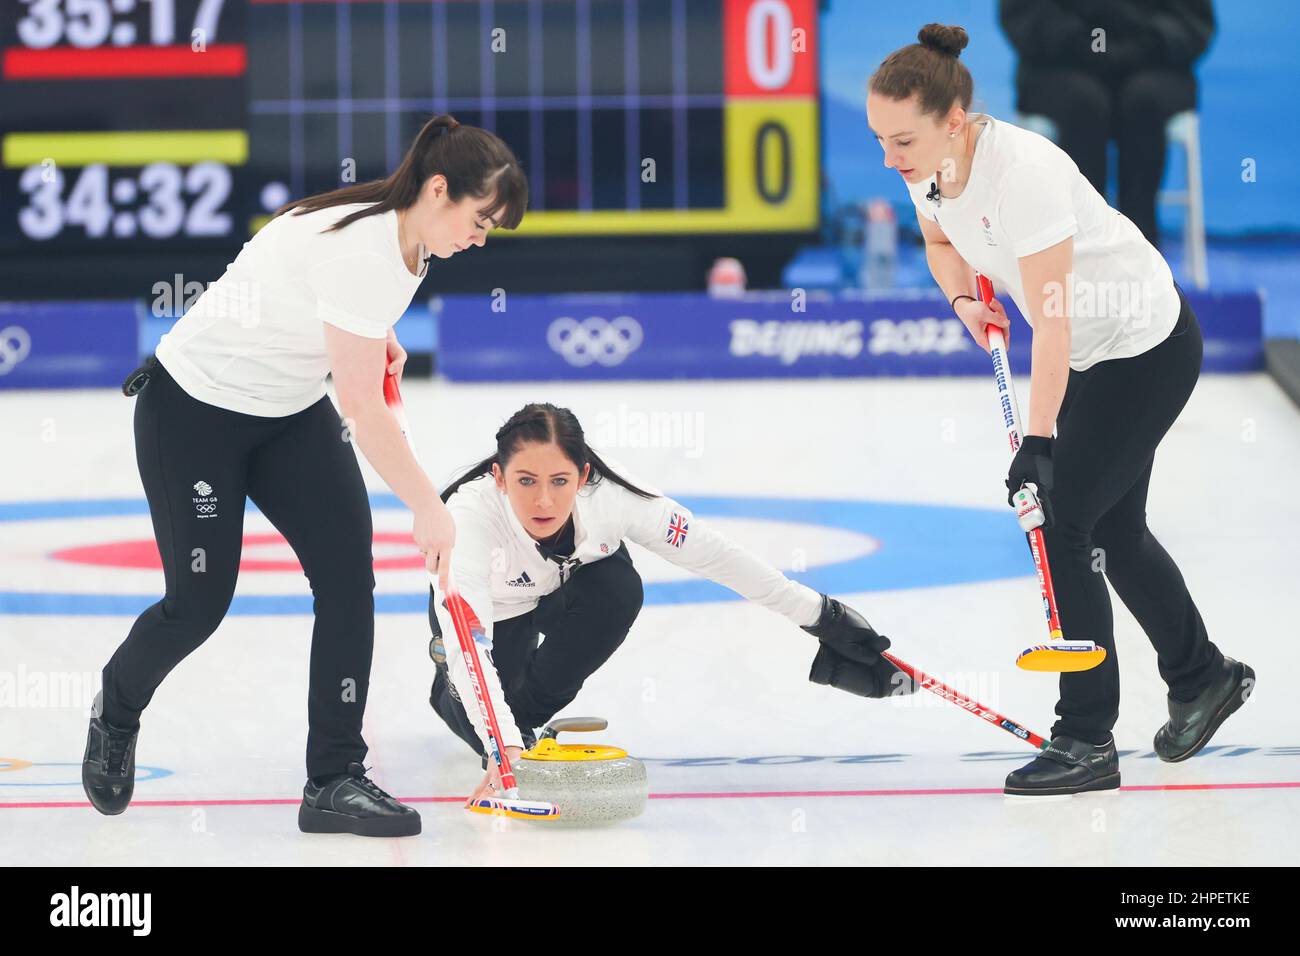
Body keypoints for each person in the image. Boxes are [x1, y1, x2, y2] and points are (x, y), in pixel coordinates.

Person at [82, 114, 527, 836]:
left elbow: (304, 290)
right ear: (438, 189)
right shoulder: (364, 248)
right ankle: (117, 706)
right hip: (194, 415)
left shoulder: (403, 235)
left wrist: (373, 331)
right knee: (198, 603)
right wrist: (428, 507)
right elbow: (361, 408)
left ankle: (333, 778)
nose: (479, 240)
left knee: (349, 579)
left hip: (287, 412)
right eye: (480, 221)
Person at [866, 24, 1252, 796]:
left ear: (955, 118)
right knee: (1112, 526)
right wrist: (963, 303)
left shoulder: (1025, 175)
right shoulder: (929, 167)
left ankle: (1084, 738)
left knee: (1063, 517)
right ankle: (1203, 675)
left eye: (901, 139)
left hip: (1142, 348)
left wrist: (1036, 443)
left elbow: (1056, 321)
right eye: (879, 139)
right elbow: (942, 242)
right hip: (1081, 353)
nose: (889, 157)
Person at [425, 403, 914, 802]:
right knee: (483, 724)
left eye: (560, 481)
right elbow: (472, 642)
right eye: (526, 481)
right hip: (494, 609)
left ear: (584, 475)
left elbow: (717, 557)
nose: (544, 502)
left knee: (618, 589)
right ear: (499, 476)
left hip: (561, 591)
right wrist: (501, 744)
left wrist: (820, 616)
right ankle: (447, 689)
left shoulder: (616, 500)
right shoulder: (466, 520)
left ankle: (522, 715)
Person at [999, 0, 1216, 249]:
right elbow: (1027, 16)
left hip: (1155, 65)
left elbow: (1190, 22)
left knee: (1143, 102)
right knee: (1085, 104)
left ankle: (1140, 242)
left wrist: (1141, 45)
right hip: (1059, 65)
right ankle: (1081, 239)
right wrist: (1084, 45)